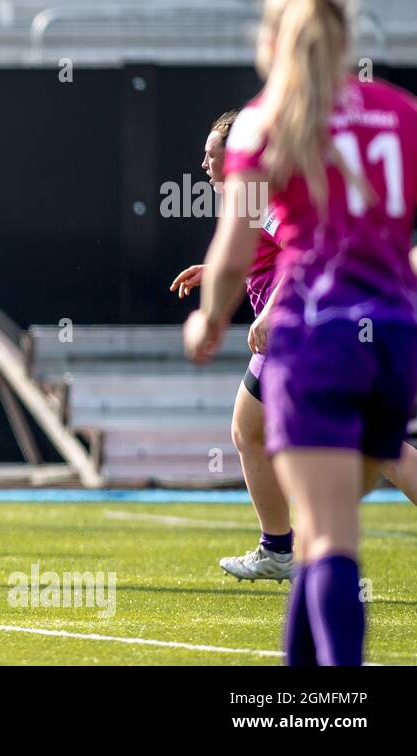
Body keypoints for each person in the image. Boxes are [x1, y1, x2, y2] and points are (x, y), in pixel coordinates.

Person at [184, 0, 417, 665]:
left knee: (330, 536)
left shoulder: (267, 120)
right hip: (395, 338)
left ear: (273, 41)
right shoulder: (401, 111)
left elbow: (241, 253)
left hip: (317, 335)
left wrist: (208, 319)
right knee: (325, 529)